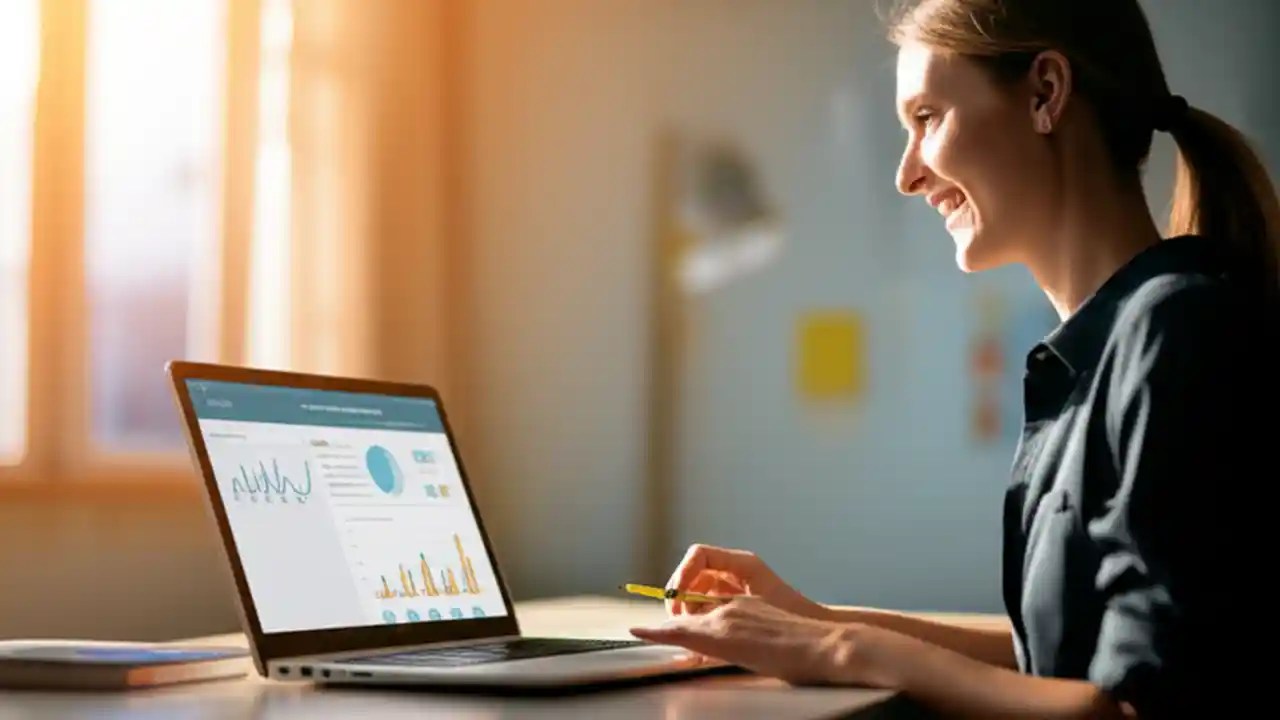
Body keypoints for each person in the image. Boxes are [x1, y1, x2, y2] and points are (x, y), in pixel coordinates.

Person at [630, 0, 1279, 717]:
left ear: (1045, 94)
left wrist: (842, 651)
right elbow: (1052, 660)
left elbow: (1134, 708)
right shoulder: (1101, 351)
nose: (907, 175)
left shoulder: (1176, 331)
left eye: (927, 118)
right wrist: (808, 618)